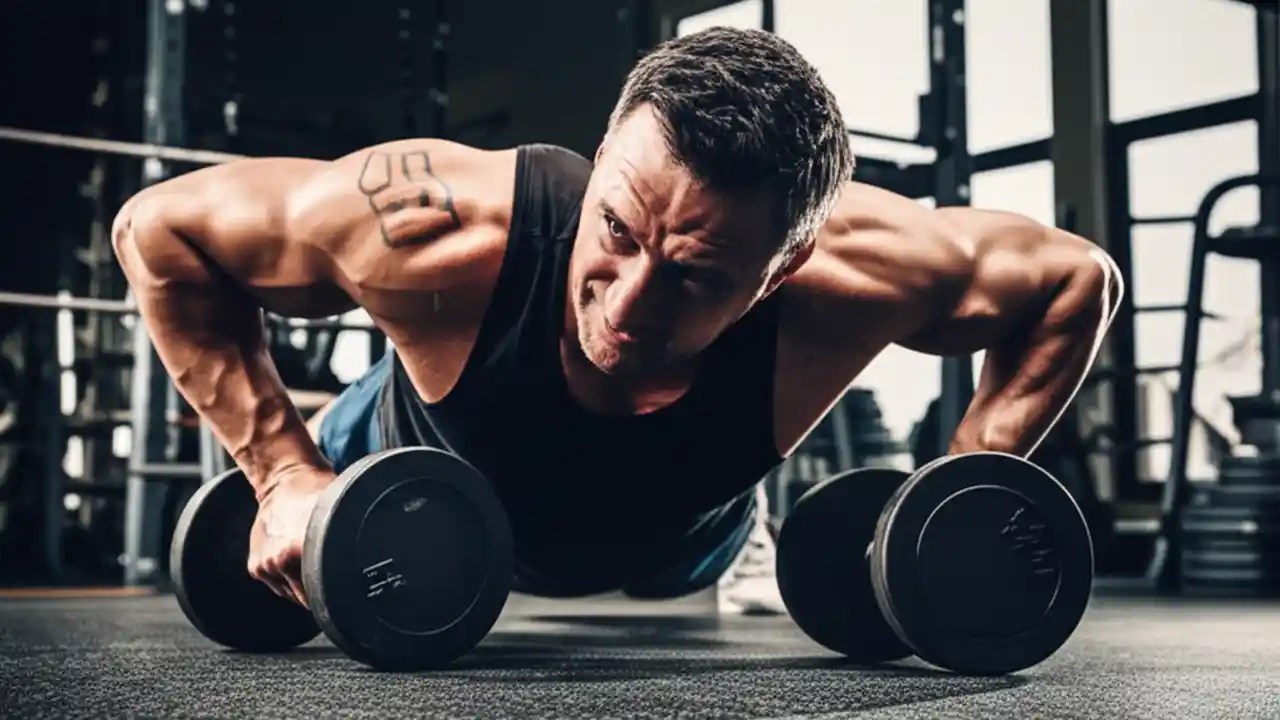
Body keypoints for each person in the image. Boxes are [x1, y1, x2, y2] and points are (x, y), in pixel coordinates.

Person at [111, 27, 1121, 615]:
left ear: (784, 268)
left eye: (693, 276)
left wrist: (963, 489)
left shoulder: (856, 276)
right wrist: (285, 473)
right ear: (599, 160)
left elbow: (1075, 280)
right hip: (413, 481)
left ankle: (742, 527)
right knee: (357, 442)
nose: (628, 304)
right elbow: (158, 231)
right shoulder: (436, 233)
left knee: (680, 553)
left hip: (678, 542)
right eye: (616, 232)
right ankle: (337, 423)